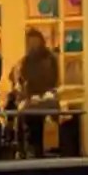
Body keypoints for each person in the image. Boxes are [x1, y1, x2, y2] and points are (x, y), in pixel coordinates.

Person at [19, 28, 59, 158]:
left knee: (46, 128)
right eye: (30, 42)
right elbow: (23, 77)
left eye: (34, 41)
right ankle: (34, 151)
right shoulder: (26, 60)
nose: (32, 45)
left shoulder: (49, 58)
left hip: (46, 97)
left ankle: (43, 151)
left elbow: (54, 78)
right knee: (33, 128)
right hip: (33, 99)